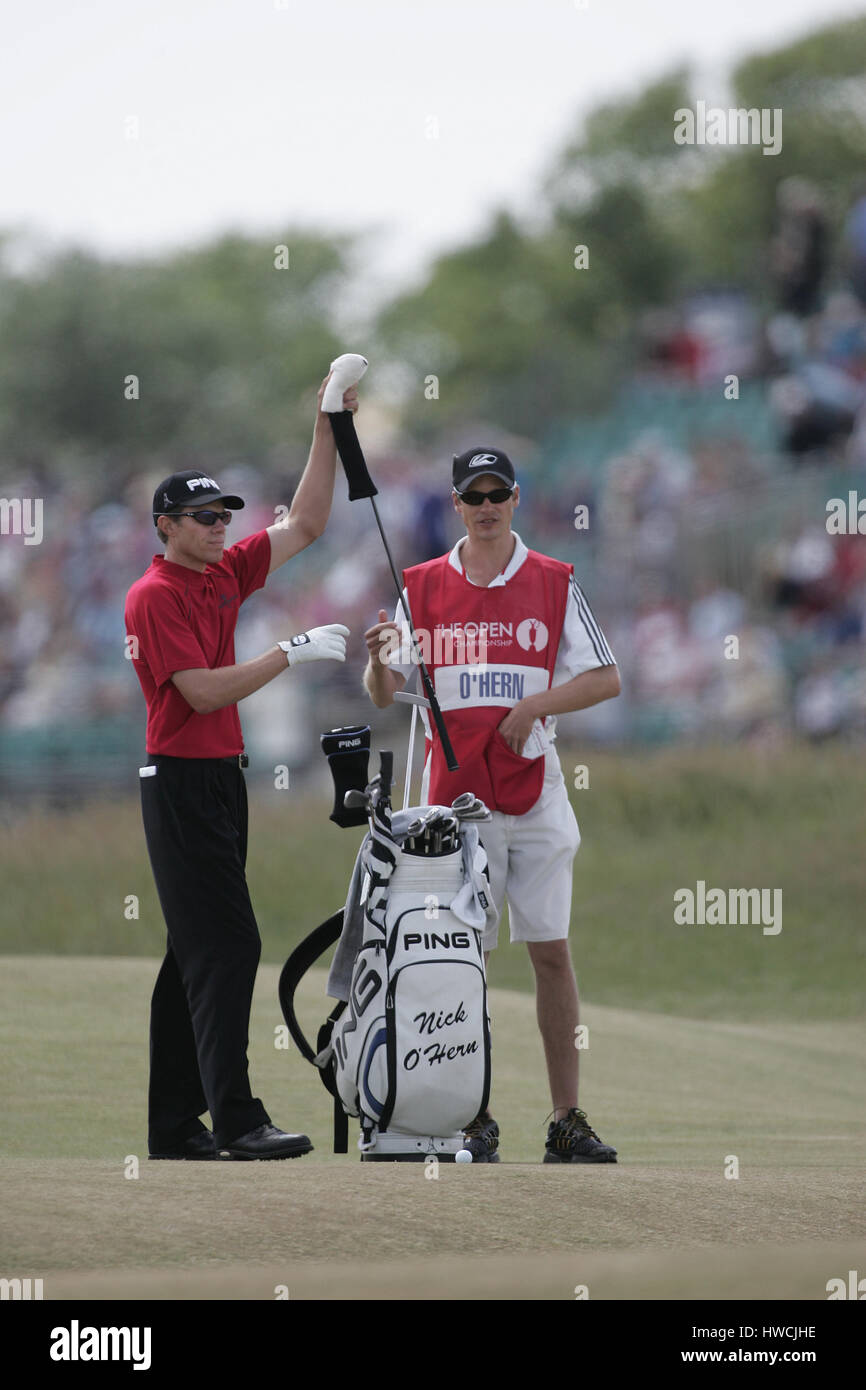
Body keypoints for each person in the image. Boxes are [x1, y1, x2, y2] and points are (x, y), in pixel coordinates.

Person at [362, 447, 621, 1164]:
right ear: (455, 503)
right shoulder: (419, 585)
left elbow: (605, 678)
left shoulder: (553, 581)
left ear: (514, 499)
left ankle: (565, 1119)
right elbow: (386, 694)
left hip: (534, 792)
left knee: (551, 954)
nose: (485, 506)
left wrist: (535, 702)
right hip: (451, 811)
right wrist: (382, 655)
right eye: (472, 496)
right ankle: (468, 1113)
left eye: (496, 493)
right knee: (454, 961)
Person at [124, 373, 357, 1161]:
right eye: (203, 516)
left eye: (225, 513)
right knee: (230, 944)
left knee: (192, 952)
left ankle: (172, 1127)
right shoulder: (153, 595)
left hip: (221, 777)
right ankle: (235, 1117)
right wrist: (287, 653)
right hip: (181, 780)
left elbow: (311, 521)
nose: (221, 524)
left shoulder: (224, 571)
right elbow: (198, 691)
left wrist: (325, 423)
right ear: (167, 526)